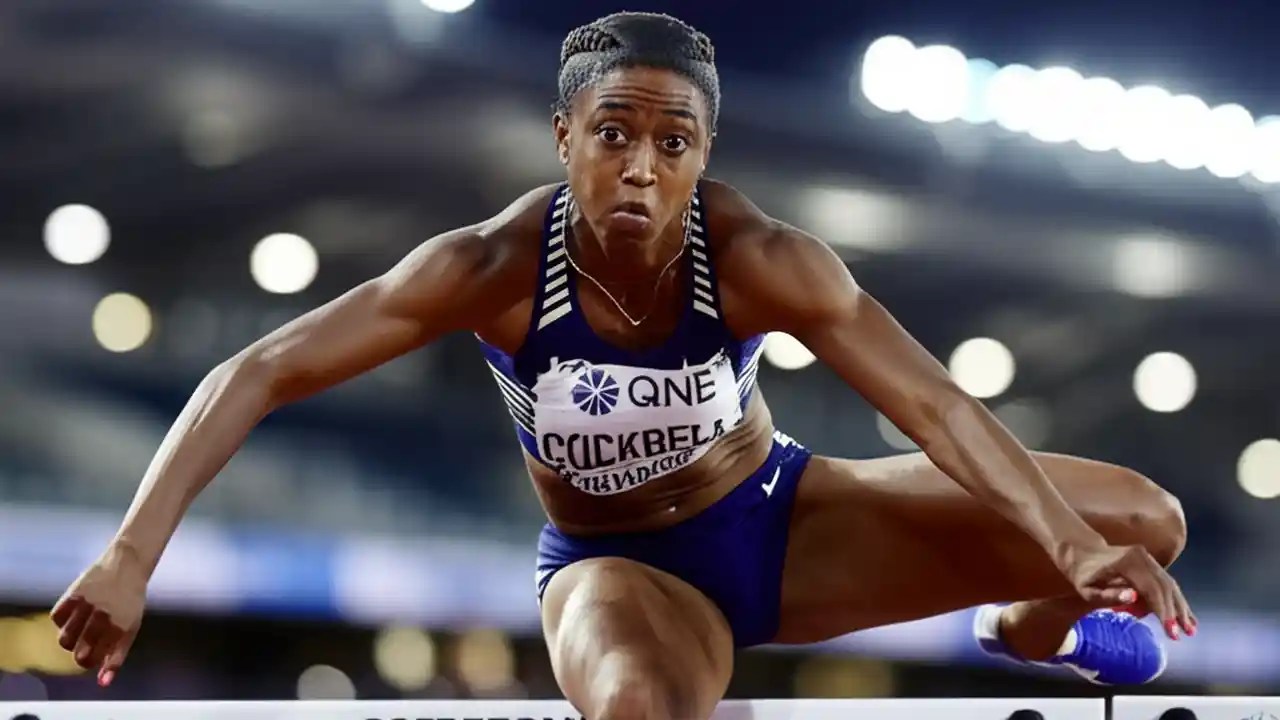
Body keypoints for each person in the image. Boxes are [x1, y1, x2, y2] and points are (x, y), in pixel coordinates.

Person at [51, 11, 1194, 719]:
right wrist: (128, 555)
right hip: (624, 570)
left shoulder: (764, 261)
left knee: (1141, 517)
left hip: (789, 523)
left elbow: (936, 407)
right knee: (639, 706)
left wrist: (1070, 547)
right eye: (611, 135)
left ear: (702, 156)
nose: (639, 169)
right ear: (563, 139)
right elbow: (257, 370)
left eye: (671, 144)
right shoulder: (489, 269)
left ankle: (1024, 628)